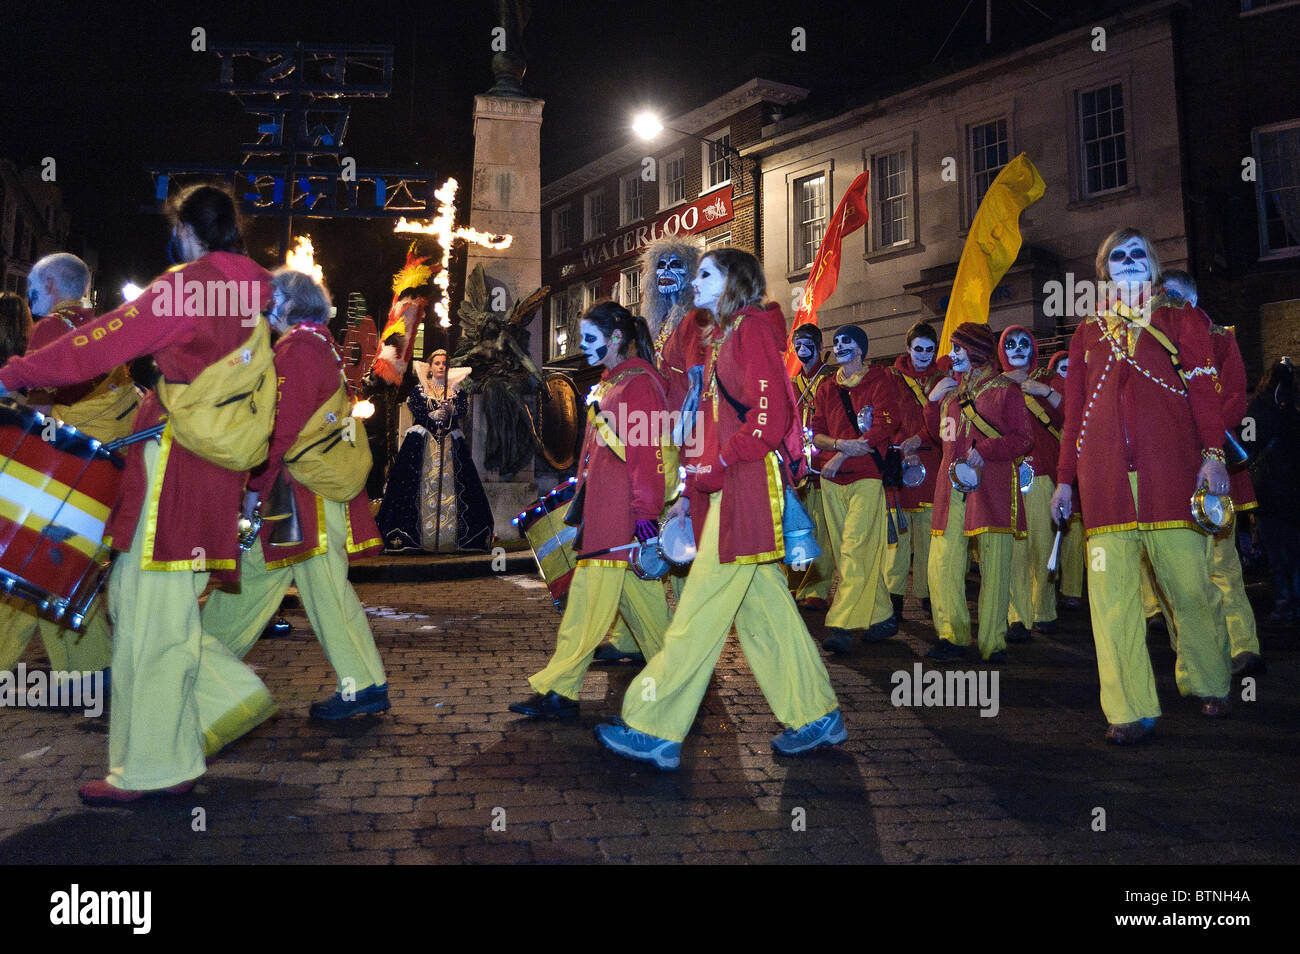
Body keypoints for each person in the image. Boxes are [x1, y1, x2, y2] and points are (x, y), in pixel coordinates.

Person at [0, 183, 277, 803]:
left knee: (146, 615)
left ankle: (156, 766)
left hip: (170, 471)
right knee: (155, 610)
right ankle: (197, 725)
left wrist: (14, 374)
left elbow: (95, 347)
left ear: (184, 230)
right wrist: (255, 485)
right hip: (215, 471)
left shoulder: (186, 287)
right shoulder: (256, 296)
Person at [594, 249, 845, 770]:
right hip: (729, 490)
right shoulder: (727, 335)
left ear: (734, 282)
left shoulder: (749, 330)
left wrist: (716, 468)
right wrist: (695, 484)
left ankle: (653, 725)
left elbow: (768, 418)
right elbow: (722, 423)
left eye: (705, 274)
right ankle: (817, 715)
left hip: (744, 492)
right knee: (766, 615)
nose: (695, 283)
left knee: (698, 614)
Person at [1052, 227, 1233, 744]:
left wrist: (1213, 456)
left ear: (1152, 264)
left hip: (1171, 478)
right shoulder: (1088, 332)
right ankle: (1128, 709)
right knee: (1110, 604)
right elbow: (1075, 418)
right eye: (1116, 256)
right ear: (1104, 270)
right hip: (1104, 487)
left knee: (1190, 590)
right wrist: (1064, 481)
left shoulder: (1181, 318)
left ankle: (1208, 679)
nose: (1127, 262)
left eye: (1137, 254)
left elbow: (1204, 389)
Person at [201, 267, 390, 718]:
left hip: (300, 500)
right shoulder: (319, 345)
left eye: (270, 303)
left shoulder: (298, 349)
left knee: (320, 592)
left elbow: (279, 430)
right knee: (255, 582)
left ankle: (361, 687)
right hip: (301, 499)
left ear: (286, 304)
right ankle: (195, 661)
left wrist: (253, 488)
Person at [509, 301, 671, 718]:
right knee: (649, 614)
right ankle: (679, 677)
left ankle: (561, 690)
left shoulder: (638, 386)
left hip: (618, 518)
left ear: (616, 338)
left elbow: (647, 454)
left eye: (589, 338)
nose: (581, 346)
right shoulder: (614, 384)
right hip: (610, 514)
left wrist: (644, 514)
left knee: (584, 609)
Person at [0, 257, 120, 682]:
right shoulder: (102, 325)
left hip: (70, 471)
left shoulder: (51, 328)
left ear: (49, 286)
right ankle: (93, 670)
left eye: (32, 289)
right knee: (54, 569)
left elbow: (43, 409)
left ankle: (92, 671)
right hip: (104, 469)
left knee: (30, 566)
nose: (29, 300)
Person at [908, 323, 1032, 663]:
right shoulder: (948, 392)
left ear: (976, 350)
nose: (952, 354)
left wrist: (989, 449)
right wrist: (931, 404)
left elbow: (1023, 439)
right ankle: (952, 635)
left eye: (958, 347)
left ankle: (993, 642)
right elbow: (939, 436)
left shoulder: (1006, 389)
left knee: (995, 564)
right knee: (942, 563)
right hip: (950, 491)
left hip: (993, 487)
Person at [809, 324, 905, 653]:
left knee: (853, 549)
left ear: (861, 349)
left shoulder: (880, 380)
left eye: (846, 342)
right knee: (852, 555)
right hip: (831, 478)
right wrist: (838, 448)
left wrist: (848, 450)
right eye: (836, 342)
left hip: (866, 476)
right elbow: (816, 432)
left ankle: (841, 623)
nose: (839, 346)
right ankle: (881, 617)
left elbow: (885, 425)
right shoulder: (825, 387)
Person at [376, 349, 493, 552]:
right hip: (422, 441)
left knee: (459, 485)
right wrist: (432, 413)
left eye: (444, 364)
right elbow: (416, 407)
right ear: (430, 367)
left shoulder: (456, 391)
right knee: (412, 486)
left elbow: (463, 410)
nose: (441, 367)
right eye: (437, 363)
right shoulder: (420, 389)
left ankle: (450, 538)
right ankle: (414, 538)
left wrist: (451, 410)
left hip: (450, 442)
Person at [999, 325, 1063, 640]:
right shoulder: (993, 386)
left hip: (1043, 477)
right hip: (1007, 478)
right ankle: (1017, 615)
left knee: (1043, 546)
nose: (1018, 348)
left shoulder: (1051, 381)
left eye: (1025, 342)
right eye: (1010, 343)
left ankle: (1045, 610)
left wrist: (1046, 393)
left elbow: (1077, 415)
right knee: (1014, 550)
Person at [886, 321, 946, 620]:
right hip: (899, 465)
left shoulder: (943, 380)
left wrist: (918, 439)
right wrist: (901, 444)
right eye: (918, 348)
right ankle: (893, 599)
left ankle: (926, 593)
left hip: (932, 464)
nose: (923, 354)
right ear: (908, 348)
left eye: (929, 349)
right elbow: (885, 417)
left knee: (928, 536)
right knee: (897, 538)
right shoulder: (890, 378)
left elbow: (946, 421)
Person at [1246, 359, 1300, 623]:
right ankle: (1292, 598)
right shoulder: (1292, 409)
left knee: (1277, 551)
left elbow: (1247, 445)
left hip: (1268, 490)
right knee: (1291, 548)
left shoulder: (1257, 409)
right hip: (1290, 489)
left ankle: (1284, 600)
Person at [788, 323, 835, 610]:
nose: (801, 349)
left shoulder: (830, 380)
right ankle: (796, 584)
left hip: (821, 464)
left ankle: (817, 588)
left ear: (818, 345)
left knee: (822, 530)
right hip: (797, 466)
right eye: (797, 343)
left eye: (806, 343)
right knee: (797, 526)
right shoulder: (792, 383)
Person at [1045, 350, 1086, 611]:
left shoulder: (1084, 391)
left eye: (1073, 367)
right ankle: (1054, 579)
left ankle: (1072, 587)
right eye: (1062, 367)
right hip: (1054, 467)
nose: (1068, 372)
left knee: (1075, 531)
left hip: (1080, 469)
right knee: (1052, 531)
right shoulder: (1044, 390)